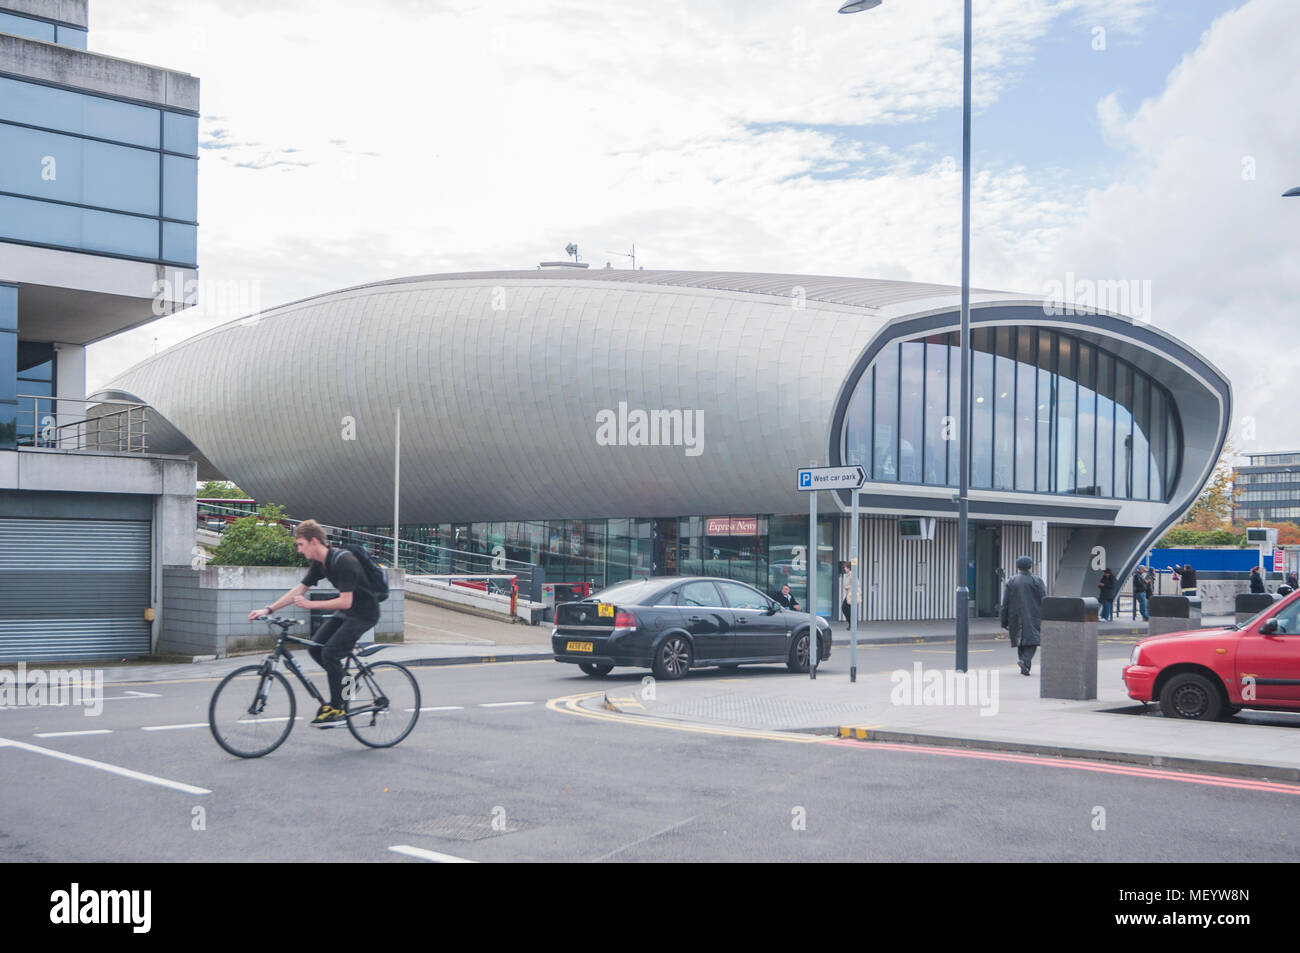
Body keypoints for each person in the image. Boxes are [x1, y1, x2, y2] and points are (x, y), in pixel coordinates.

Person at [249, 519, 382, 727]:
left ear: (314, 542)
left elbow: (346, 601)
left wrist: (312, 606)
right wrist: (268, 609)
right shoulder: (321, 564)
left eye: (300, 544)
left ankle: (337, 709)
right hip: (347, 612)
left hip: (364, 613)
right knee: (315, 648)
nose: (299, 549)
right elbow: (299, 590)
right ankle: (348, 684)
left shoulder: (345, 561)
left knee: (330, 653)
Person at [1001, 555, 1046, 676]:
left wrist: (1004, 622)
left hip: (1015, 616)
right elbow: (1044, 599)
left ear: (1018, 567)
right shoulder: (1037, 581)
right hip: (1034, 615)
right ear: (1030, 566)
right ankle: (1024, 661)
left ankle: (1024, 668)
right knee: (1033, 641)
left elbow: (1005, 603)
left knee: (1020, 641)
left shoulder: (1011, 581)